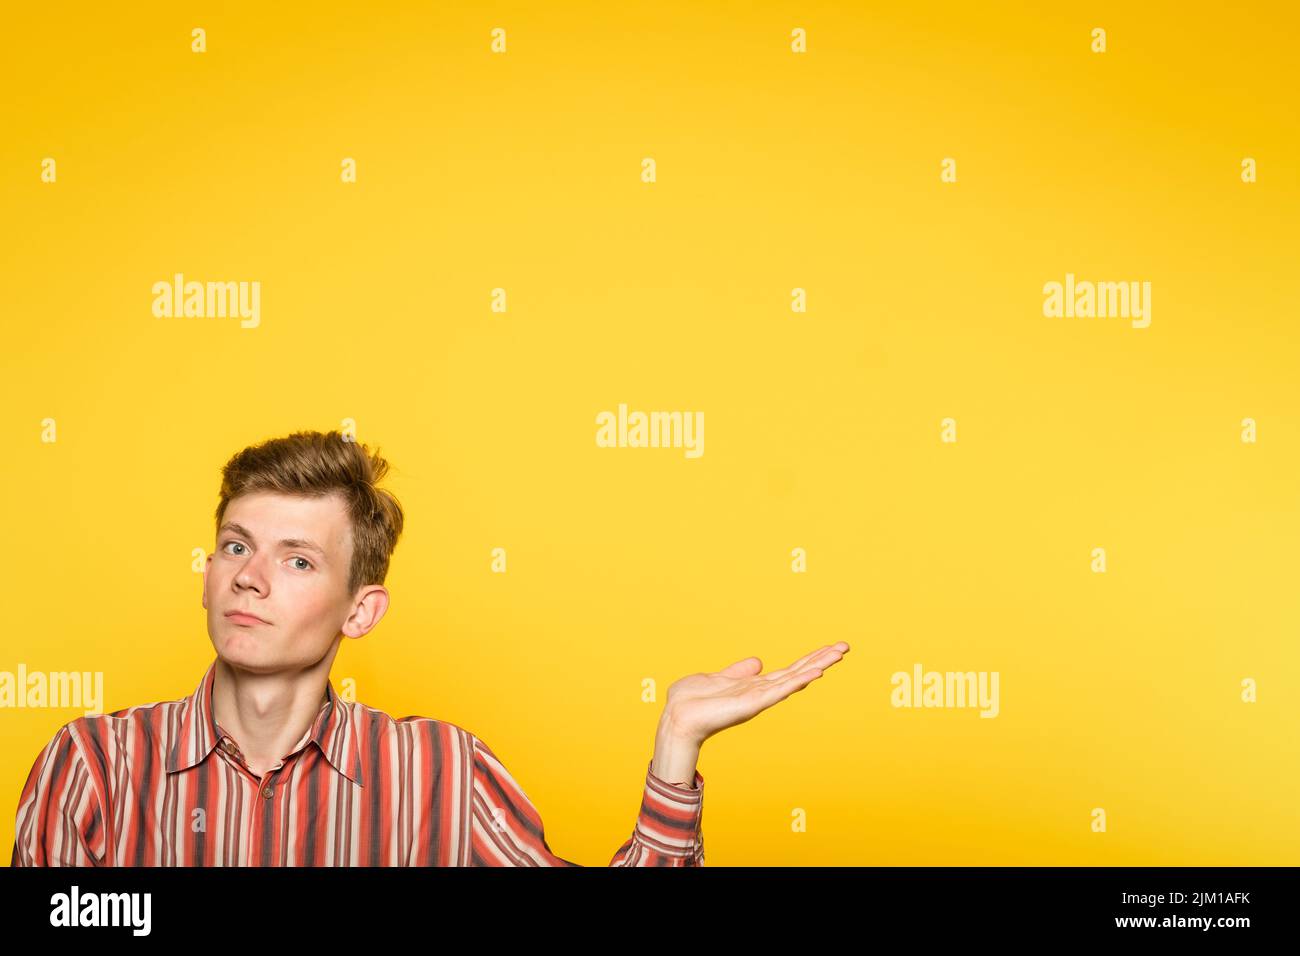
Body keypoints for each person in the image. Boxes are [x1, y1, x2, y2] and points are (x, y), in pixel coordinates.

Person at [11, 430, 849, 866]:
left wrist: (675, 752)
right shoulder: (93, 767)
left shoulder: (442, 776)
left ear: (361, 611)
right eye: (236, 547)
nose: (250, 578)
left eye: (297, 559)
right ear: (205, 575)